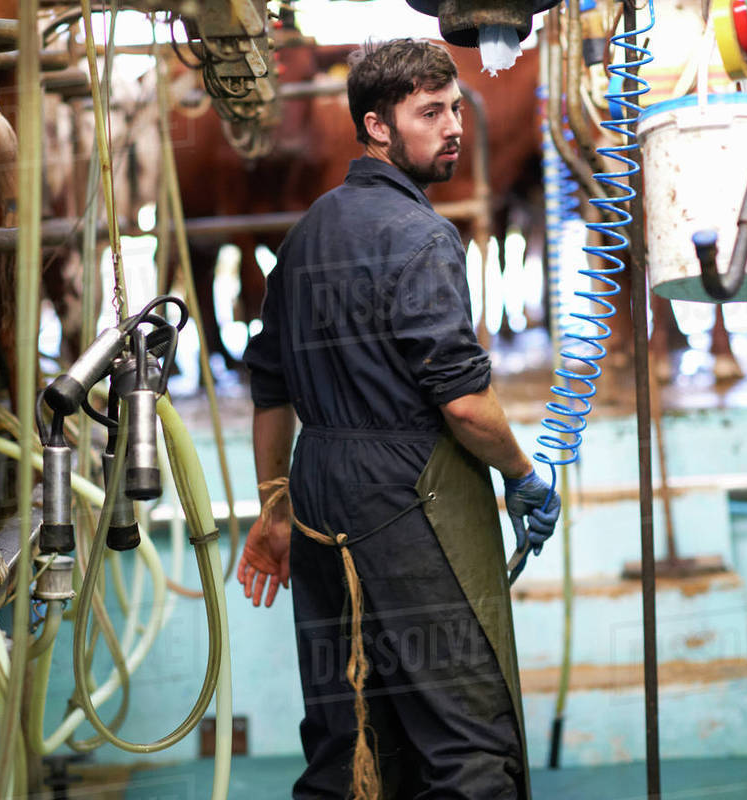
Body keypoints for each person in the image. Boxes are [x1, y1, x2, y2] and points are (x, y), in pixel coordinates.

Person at [239, 38, 560, 800]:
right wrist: (523, 475)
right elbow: (462, 403)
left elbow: (269, 387)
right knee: (468, 747)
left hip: (319, 493)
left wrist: (275, 503)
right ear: (378, 127)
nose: (454, 126)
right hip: (409, 497)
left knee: (346, 740)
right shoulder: (422, 237)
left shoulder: (309, 231)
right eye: (431, 112)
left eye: (454, 108)